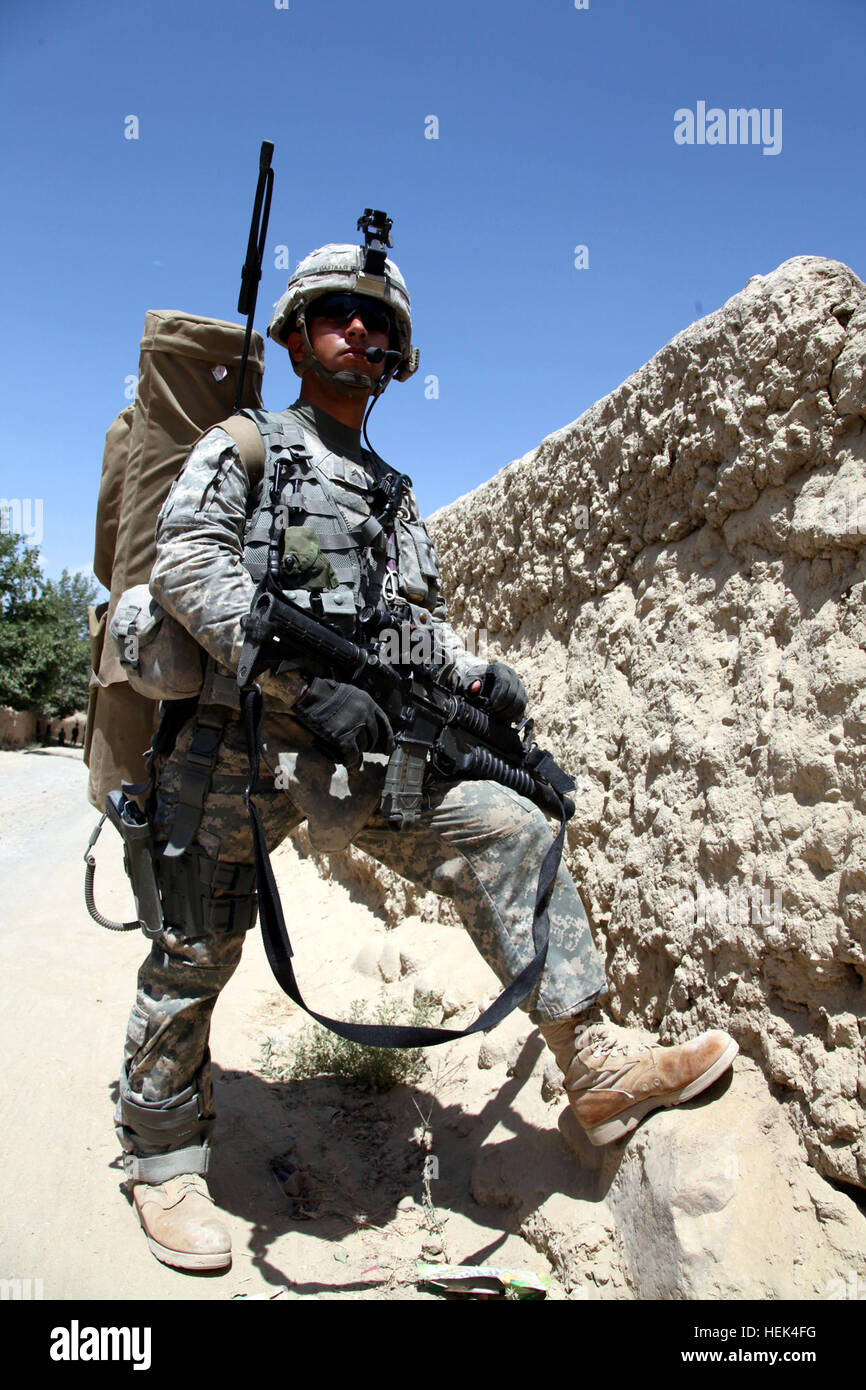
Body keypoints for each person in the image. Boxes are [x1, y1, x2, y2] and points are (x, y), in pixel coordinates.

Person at [116, 236, 738, 1273]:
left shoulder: (393, 491)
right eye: (338, 313)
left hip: (363, 762)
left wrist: (469, 673)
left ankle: (594, 1064)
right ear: (296, 330)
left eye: (381, 323)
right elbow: (188, 563)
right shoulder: (248, 447)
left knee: (508, 825)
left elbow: (409, 624)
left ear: (398, 356)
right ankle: (164, 1153)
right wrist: (299, 681)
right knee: (192, 952)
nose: (360, 331)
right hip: (239, 746)